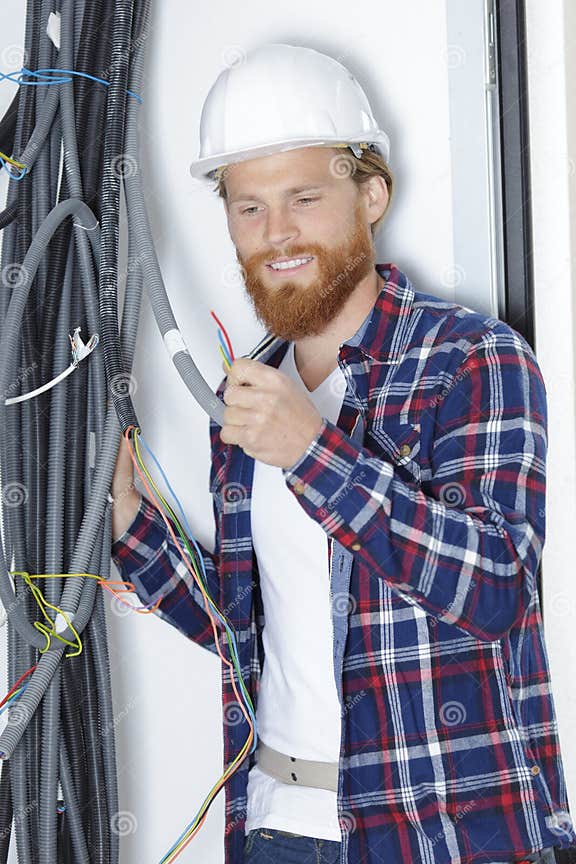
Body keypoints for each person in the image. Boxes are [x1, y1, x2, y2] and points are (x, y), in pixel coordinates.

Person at [111, 43, 575, 864]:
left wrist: (312, 452)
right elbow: (249, 629)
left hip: (442, 837)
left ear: (371, 195)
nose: (275, 233)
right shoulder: (252, 395)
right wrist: (129, 523)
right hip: (277, 827)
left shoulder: (472, 359)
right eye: (248, 207)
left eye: (304, 198)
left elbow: (497, 588)